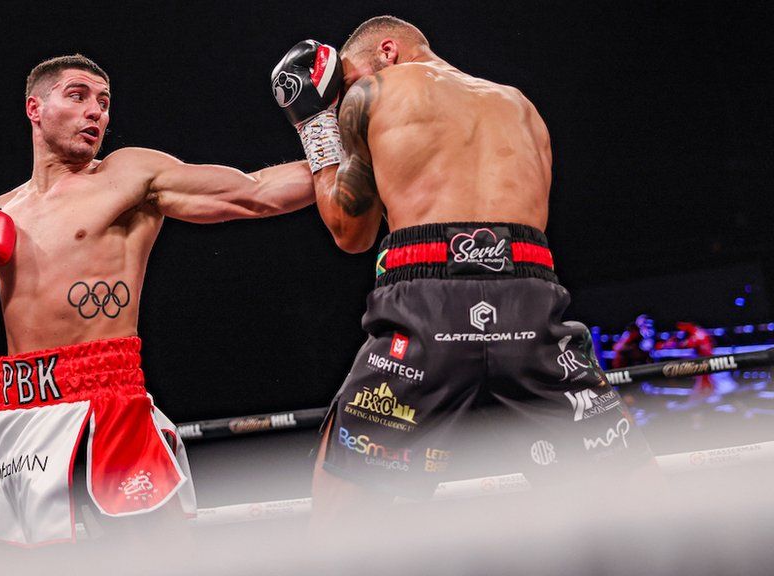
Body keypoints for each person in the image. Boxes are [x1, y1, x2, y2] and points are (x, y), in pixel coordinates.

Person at [0, 54, 315, 571]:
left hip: (105, 399)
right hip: (14, 410)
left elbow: (254, 193)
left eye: (103, 102)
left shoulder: (127, 176)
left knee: (160, 563)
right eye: (78, 96)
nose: (96, 112)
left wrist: (343, 149)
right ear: (35, 108)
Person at [270, 16, 661, 530]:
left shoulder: (373, 93)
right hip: (531, 296)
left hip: (428, 301)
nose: (341, 93)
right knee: (635, 494)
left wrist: (314, 123)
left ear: (387, 51)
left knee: (339, 506)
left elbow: (351, 232)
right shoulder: (520, 105)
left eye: (345, 80)